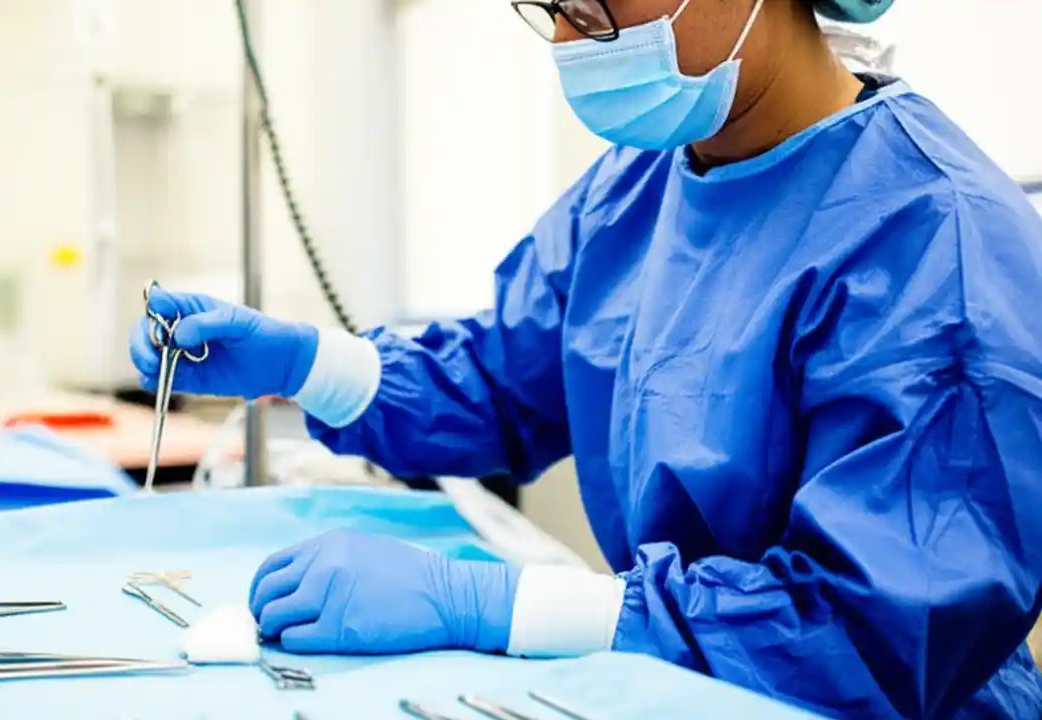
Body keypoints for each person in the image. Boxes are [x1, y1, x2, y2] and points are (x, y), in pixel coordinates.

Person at [129, 0, 1042, 716]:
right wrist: (303, 364)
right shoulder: (642, 184)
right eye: (554, 3)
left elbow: (867, 635)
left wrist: (495, 605)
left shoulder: (937, 243)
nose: (570, 36)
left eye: (600, 1)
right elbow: (501, 379)